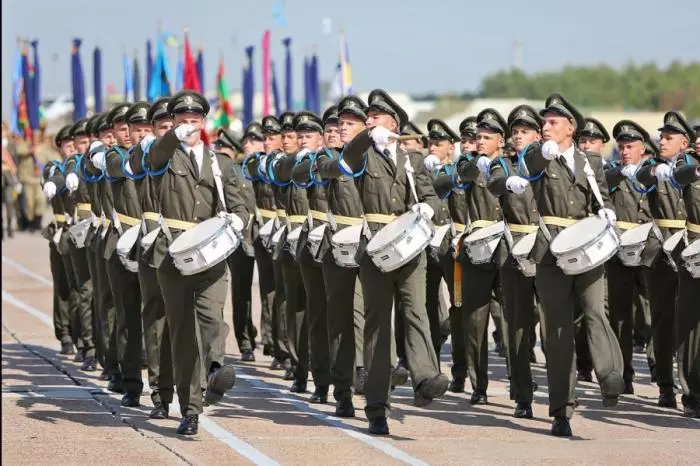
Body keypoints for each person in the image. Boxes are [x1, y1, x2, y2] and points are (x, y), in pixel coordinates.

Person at [314, 89, 449, 435]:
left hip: (409, 245)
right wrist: (364, 138)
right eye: (367, 118)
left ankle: (424, 377)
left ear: (394, 123)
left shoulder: (411, 160)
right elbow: (344, 161)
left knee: (416, 310)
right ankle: (376, 406)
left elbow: (433, 196)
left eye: (375, 117)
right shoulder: (360, 155)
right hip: (374, 249)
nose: (369, 122)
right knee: (377, 324)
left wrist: (428, 207)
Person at [519, 93, 624, 437]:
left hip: (587, 247)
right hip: (551, 251)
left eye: (552, 123)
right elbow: (529, 163)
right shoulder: (538, 157)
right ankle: (562, 409)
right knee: (558, 329)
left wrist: (607, 211)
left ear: (570, 128)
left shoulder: (590, 162)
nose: (544, 128)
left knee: (596, 310)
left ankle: (610, 376)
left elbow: (602, 198)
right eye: (543, 123)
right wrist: (539, 153)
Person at [145, 90, 248, 435]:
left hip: (211, 254)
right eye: (182, 120)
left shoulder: (221, 163)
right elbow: (154, 157)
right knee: (183, 333)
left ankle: (217, 369)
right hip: (172, 255)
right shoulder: (162, 157)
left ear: (203, 123)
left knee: (212, 317)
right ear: (173, 123)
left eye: (194, 120)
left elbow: (239, 203)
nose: (189, 125)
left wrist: (238, 219)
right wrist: (172, 138)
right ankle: (191, 409)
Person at [290, 95, 369, 416]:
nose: (337, 131)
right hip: (321, 245)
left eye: (343, 126)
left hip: (362, 244)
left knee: (358, 313)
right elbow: (296, 174)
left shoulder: (366, 158)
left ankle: (360, 373)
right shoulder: (317, 160)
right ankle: (325, 381)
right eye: (333, 127)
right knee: (322, 317)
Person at [635, 111, 695, 410]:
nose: (662, 140)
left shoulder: (692, 168)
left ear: (684, 143)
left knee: (688, 325)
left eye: (669, 137)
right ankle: (664, 385)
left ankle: (690, 389)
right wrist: (655, 170)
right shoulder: (651, 167)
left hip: (690, 252)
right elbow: (640, 178)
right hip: (659, 252)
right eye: (662, 136)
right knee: (662, 322)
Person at [449, 108, 509, 405]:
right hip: (476, 250)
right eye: (476, 137)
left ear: (501, 140)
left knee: (514, 316)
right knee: (475, 321)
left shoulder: (512, 163)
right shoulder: (467, 164)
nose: (478, 142)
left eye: (485, 137)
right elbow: (464, 174)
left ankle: (518, 376)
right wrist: (480, 162)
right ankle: (478, 384)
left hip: (507, 248)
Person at [486, 104, 543, 418]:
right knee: (518, 326)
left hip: (547, 248)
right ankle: (523, 394)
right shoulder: (503, 165)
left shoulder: (549, 163)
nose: (519, 136)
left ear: (537, 134)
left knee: (555, 324)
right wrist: (508, 182)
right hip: (514, 251)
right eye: (515, 132)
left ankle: (564, 392)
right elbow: (493, 183)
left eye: (525, 131)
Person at [127, 97, 175, 419]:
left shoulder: (201, 159)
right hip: (153, 248)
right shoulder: (144, 158)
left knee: (192, 322)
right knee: (156, 321)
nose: (169, 131)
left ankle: (194, 386)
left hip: (189, 251)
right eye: (162, 128)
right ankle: (159, 392)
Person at [94, 102, 144, 407]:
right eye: (122, 128)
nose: (127, 133)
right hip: (120, 239)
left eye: (133, 127)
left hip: (152, 239)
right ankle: (127, 378)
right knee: (123, 313)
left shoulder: (154, 155)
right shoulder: (110, 157)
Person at [602, 120, 654, 395]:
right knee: (620, 318)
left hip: (649, 252)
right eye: (621, 147)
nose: (624, 151)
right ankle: (625, 375)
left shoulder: (653, 173)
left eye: (630, 146)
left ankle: (660, 372)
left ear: (642, 148)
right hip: (620, 253)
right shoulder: (612, 174)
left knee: (654, 314)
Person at [574, 117, 611, 383]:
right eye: (583, 141)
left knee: (602, 309)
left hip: (604, 245)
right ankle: (584, 364)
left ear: (603, 145)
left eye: (593, 141)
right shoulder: (573, 166)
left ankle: (610, 369)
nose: (587, 145)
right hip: (578, 244)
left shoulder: (603, 168)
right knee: (580, 311)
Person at [217, 127, 259, 361]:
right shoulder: (216, 171)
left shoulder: (245, 172)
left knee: (242, 292)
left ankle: (246, 340)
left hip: (245, 237)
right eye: (218, 148)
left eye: (224, 149)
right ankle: (229, 341)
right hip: (220, 239)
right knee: (218, 291)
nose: (220, 152)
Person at [422, 118, 459, 363]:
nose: (433, 147)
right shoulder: (419, 172)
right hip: (426, 242)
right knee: (427, 303)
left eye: (439, 143)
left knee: (458, 300)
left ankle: (459, 364)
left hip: (452, 243)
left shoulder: (459, 171)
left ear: (451, 147)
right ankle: (431, 359)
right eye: (431, 143)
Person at [41, 125, 78, 355]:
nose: (72, 149)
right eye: (67, 145)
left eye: (76, 144)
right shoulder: (53, 168)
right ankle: (64, 333)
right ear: (60, 147)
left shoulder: (86, 165)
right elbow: (56, 178)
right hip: (61, 232)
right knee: (63, 287)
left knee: (81, 290)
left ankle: (81, 336)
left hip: (83, 231)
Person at [669, 157, 700, 418]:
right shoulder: (689, 167)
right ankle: (692, 394)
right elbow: (674, 178)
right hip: (694, 254)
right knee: (689, 326)